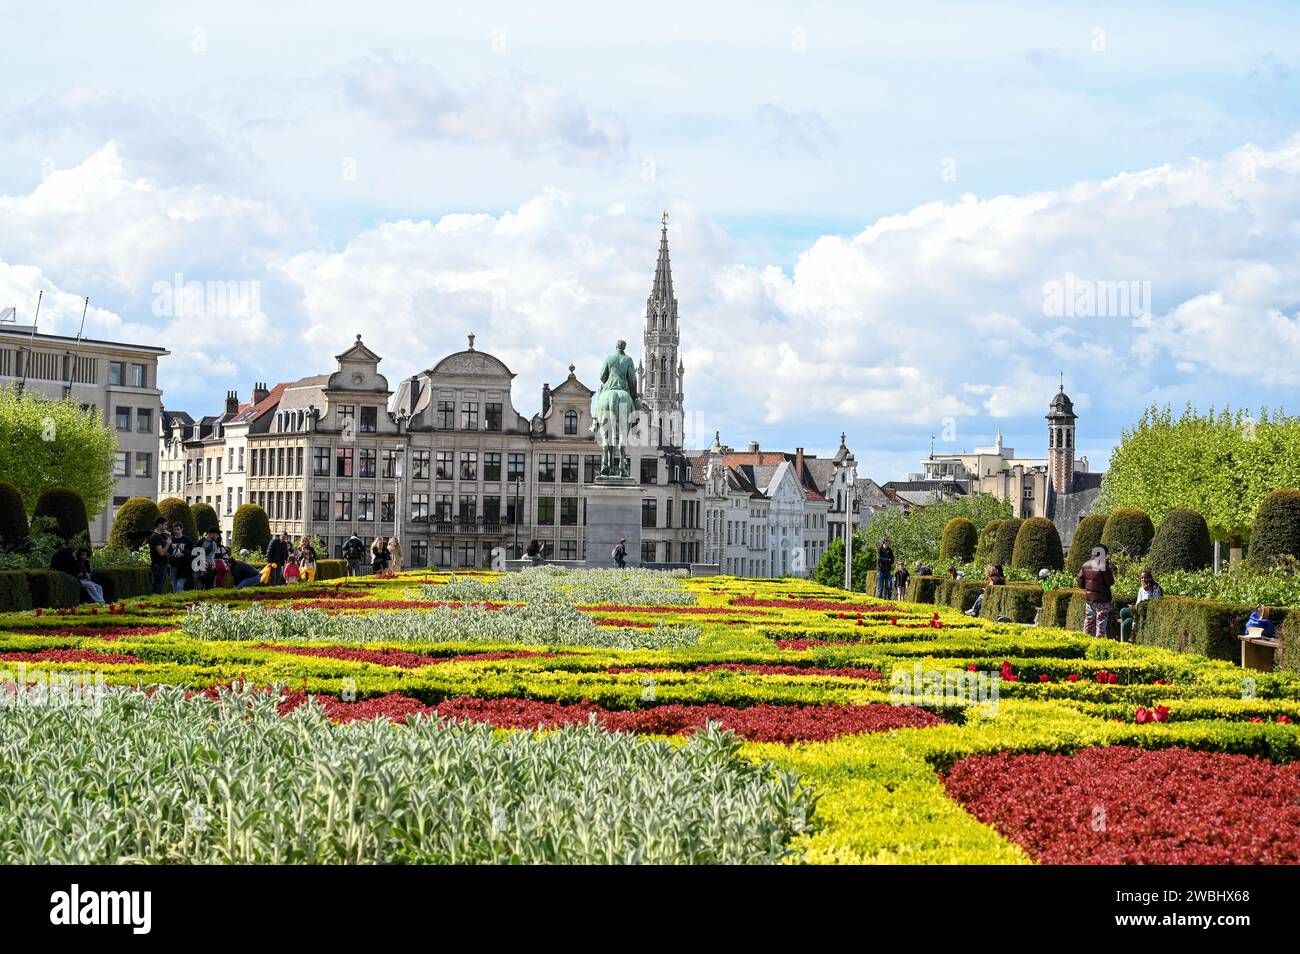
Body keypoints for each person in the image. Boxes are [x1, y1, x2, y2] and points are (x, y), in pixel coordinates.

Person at [1076, 545, 1116, 638]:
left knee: (1089, 622)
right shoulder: (1103, 565)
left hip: (1089, 599)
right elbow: (1110, 582)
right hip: (1103, 600)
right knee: (1101, 623)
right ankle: (1098, 644)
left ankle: (1086, 640)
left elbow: (1080, 583)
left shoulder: (1085, 565)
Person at [169, 522, 196, 594]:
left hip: (183, 566)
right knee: (174, 586)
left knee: (179, 586)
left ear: (182, 529)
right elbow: (168, 551)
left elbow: (192, 552)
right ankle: (176, 601)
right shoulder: (170, 540)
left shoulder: (187, 540)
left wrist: (183, 554)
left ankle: (179, 600)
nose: (176, 531)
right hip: (173, 565)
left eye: (178, 529)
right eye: (174, 529)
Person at [148, 516, 171, 594]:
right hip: (158, 566)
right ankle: (153, 604)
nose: (166, 527)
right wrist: (168, 544)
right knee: (157, 589)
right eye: (165, 525)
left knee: (159, 588)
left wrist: (168, 536)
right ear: (160, 525)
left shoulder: (161, 535)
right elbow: (161, 553)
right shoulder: (155, 537)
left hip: (162, 566)